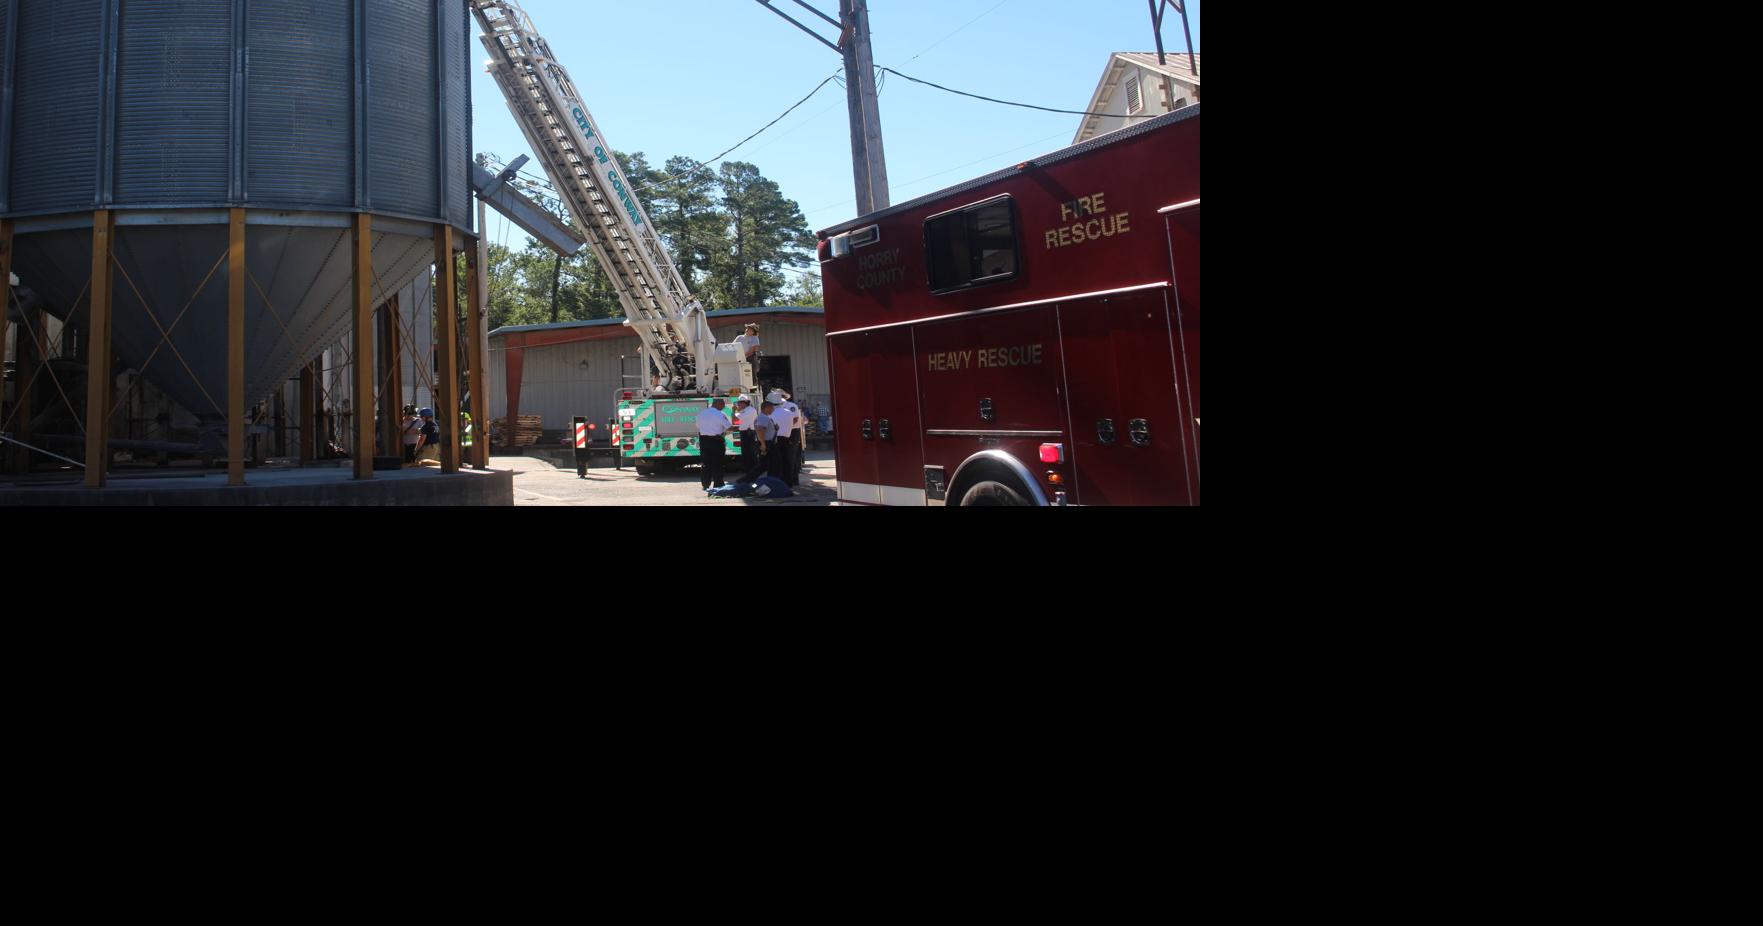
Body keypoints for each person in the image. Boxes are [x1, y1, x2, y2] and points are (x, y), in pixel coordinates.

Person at [696, 398, 732, 490]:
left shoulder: (701, 413)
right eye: (723, 405)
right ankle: (718, 484)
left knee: (705, 463)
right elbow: (728, 427)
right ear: (718, 404)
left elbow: (698, 426)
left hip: (704, 440)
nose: (723, 407)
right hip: (716, 441)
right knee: (718, 463)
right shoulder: (720, 414)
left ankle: (705, 484)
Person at [744, 399, 780, 483]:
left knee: (767, 465)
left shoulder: (764, 417)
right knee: (770, 465)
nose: (773, 410)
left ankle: (770, 482)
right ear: (766, 408)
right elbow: (760, 430)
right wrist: (763, 444)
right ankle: (745, 481)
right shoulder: (763, 417)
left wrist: (775, 428)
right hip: (768, 444)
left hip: (768, 443)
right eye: (772, 408)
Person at [733, 394, 759, 477]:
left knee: (750, 454)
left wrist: (733, 411)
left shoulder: (750, 410)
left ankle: (752, 472)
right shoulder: (744, 411)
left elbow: (735, 419)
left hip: (749, 433)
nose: (738, 405)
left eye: (739, 403)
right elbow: (736, 422)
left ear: (744, 403)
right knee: (746, 453)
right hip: (745, 433)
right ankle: (749, 471)